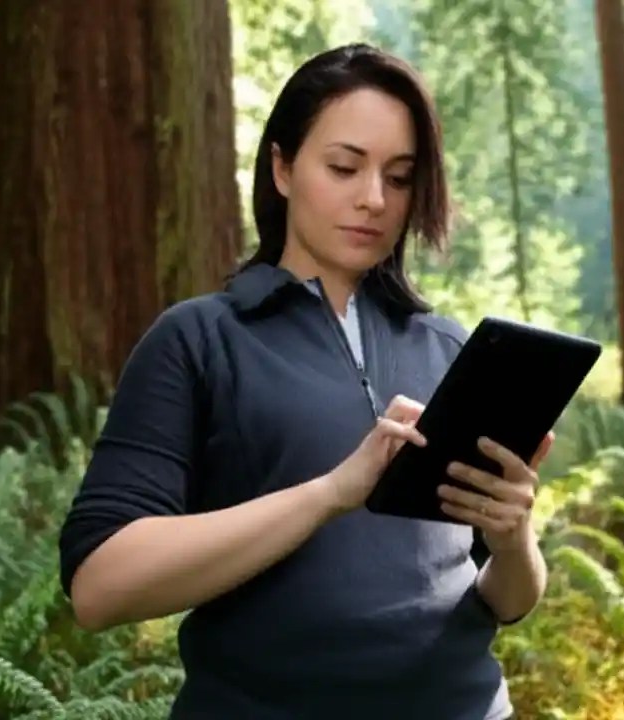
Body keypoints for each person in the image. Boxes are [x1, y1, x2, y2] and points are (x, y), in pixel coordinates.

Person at [57, 42, 553, 720]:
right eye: (345, 167)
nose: (374, 199)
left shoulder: (449, 350)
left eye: (400, 177)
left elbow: (505, 600)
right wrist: (328, 495)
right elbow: (99, 587)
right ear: (283, 167)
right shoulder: (199, 341)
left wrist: (513, 537)